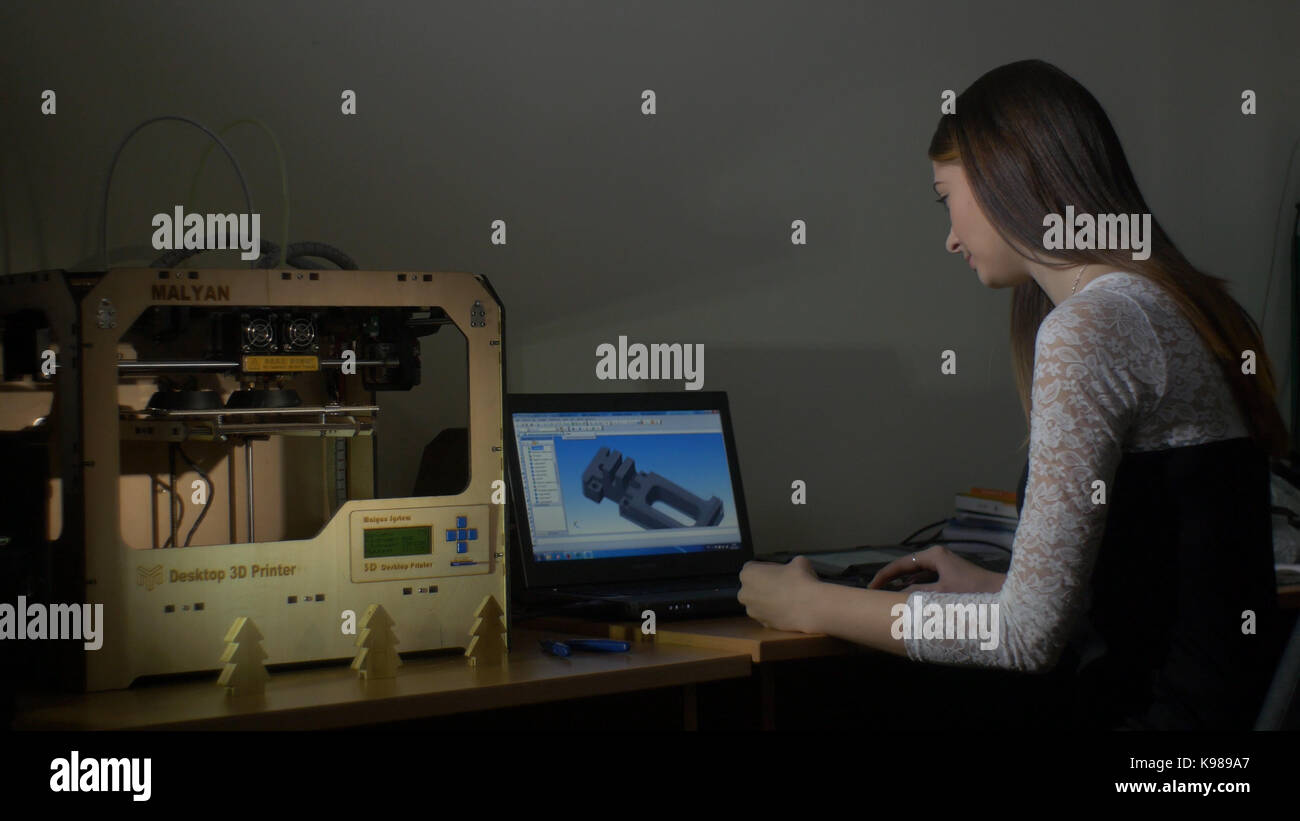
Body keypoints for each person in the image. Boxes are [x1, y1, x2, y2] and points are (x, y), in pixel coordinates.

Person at [737, 59, 1290, 730]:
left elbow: (1025, 638)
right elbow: (1161, 590)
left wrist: (810, 605)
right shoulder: (1167, 303)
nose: (949, 236)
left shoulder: (1091, 324)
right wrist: (998, 586)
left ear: (1008, 175)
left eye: (946, 196)